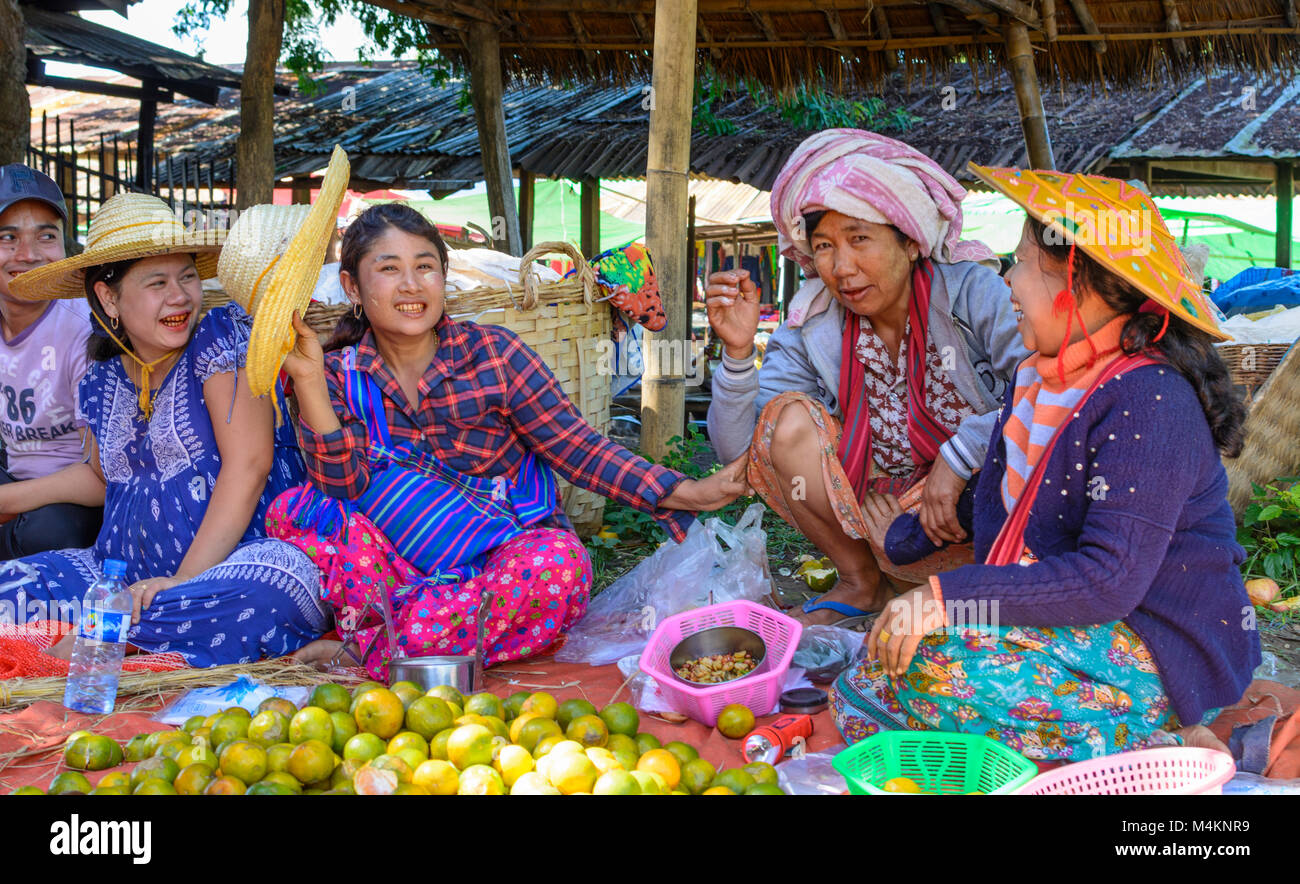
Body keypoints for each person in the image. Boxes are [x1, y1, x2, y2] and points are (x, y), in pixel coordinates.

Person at [831, 166, 1260, 761]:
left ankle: (1169, 738)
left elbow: (1107, 580)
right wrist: (907, 539)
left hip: (1158, 640)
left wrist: (944, 597)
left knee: (924, 674)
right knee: (872, 673)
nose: (1008, 278)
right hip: (1074, 622)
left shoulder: (1150, 399)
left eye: (1023, 262)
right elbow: (1015, 509)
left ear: (1074, 280)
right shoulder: (1040, 380)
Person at [269, 204, 748, 679]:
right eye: (389, 269)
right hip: (395, 565)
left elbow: (577, 449)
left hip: (503, 562)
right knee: (292, 515)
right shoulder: (338, 374)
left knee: (559, 566)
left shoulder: (493, 355)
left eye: (425, 267)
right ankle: (427, 631)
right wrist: (309, 382)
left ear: (444, 277)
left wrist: (690, 492)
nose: (411, 285)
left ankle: (369, 647)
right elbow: (342, 486)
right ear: (353, 285)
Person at [706, 130, 1026, 625]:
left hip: (970, 507)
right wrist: (738, 353)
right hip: (875, 518)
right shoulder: (813, 322)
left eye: (860, 239)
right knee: (785, 420)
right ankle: (862, 581)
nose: (841, 267)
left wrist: (959, 458)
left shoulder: (973, 293)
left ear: (911, 241)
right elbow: (745, 450)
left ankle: (954, 589)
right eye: (824, 246)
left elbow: (1045, 387)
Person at [0, 193, 327, 665]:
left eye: (188, 276)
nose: (180, 297)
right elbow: (99, 478)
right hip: (122, 578)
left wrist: (182, 582)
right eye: (158, 282)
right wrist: (7, 499)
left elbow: (250, 465)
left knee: (273, 590)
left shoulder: (220, 339)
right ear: (108, 297)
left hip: (233, 567)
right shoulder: (102, 378)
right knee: (12, 590)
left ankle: (97, 642)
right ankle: (119, 639)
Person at [0, 165, 101, 557]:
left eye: (46, 236)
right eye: (8, 238)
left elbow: (102, 480)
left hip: (71, 501)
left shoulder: (84, 331)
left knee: (52, 536)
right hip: (12, 479)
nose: (28, 255)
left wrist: (7, 501)